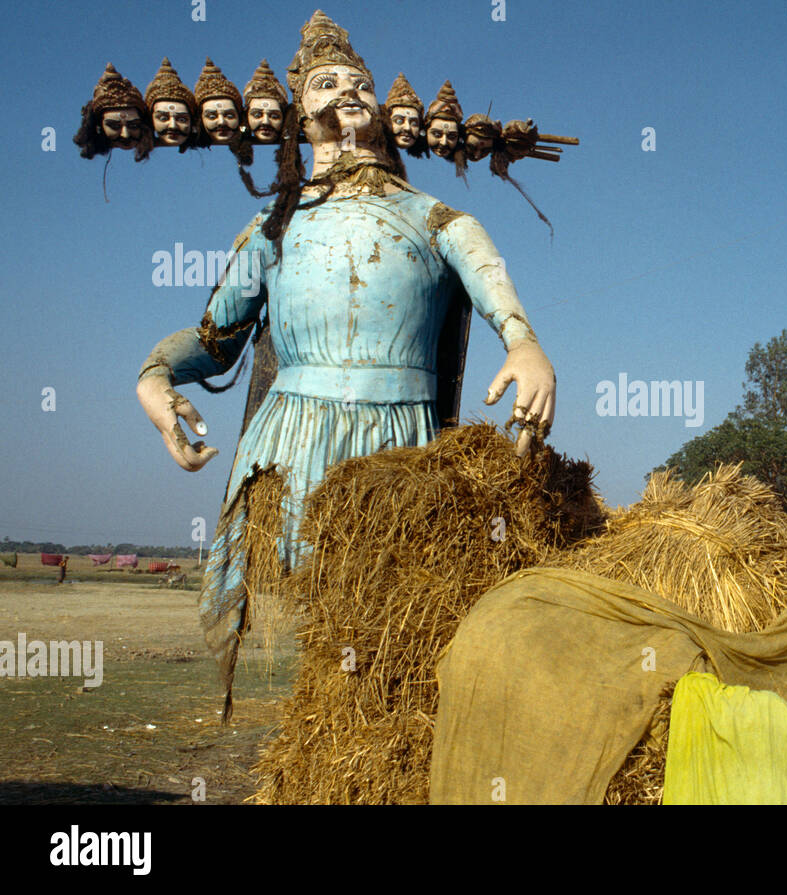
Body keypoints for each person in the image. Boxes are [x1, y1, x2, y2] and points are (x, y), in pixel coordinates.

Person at [136, 10, 557, 715]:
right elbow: (215, 340)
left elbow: (502, 304)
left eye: (360, 83)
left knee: (394, 624)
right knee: (319, 631)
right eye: (327, 84)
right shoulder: (274, 225)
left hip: (399, 446)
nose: (350, 92)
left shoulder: (438, 219)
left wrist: (526, 346)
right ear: (299, 115)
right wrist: (155, 374)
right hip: (291, 442)